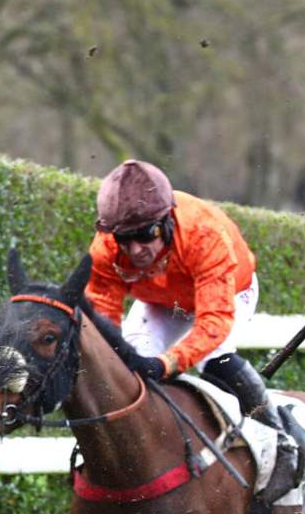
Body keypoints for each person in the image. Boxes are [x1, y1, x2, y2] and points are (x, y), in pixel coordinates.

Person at [86, 159, 285, 432]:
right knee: (129, 363)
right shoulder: (106, 248)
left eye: (145, 234)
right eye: (124, 239)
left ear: (167, 220)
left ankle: (277, 433)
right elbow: (103, 319)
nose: (135, 250)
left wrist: (166, 363)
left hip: (231, 292)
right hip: (164, 302)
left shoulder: (204, 233)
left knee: (214, 358)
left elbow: (213, 321)